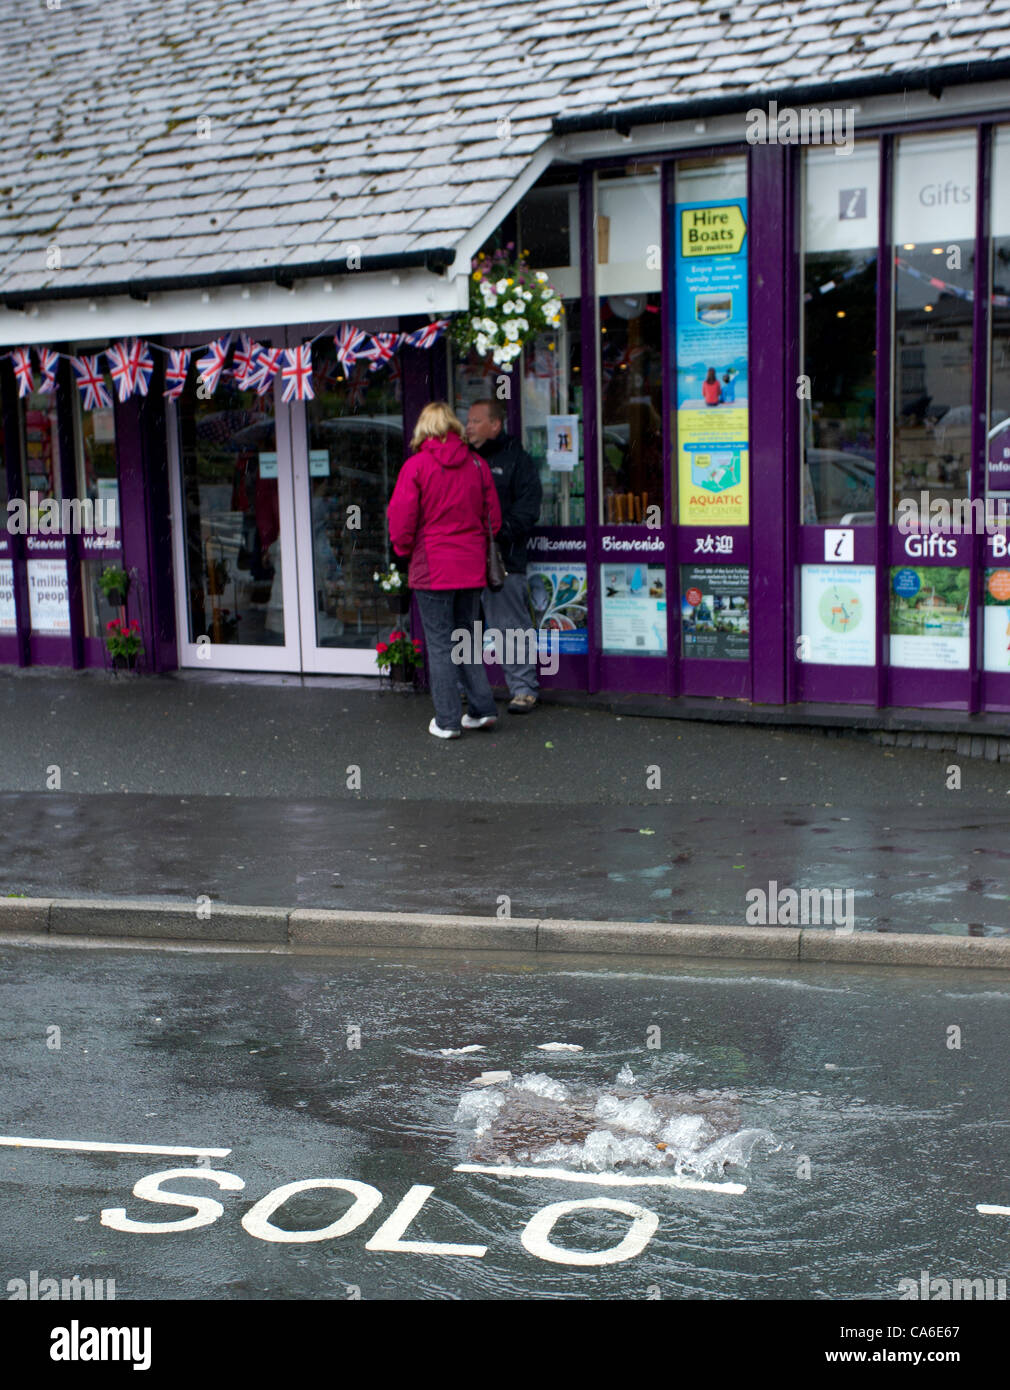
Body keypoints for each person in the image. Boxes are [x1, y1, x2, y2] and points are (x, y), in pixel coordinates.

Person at [387, 401, 502, 739]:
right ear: (453, 427)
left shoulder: (416, 466)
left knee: (439, 644)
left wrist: (404, 551)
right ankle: (482, 709)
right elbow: (492, 518)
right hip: (470, 568)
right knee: (464, 637)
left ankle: (448, 720)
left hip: (433, 567)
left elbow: (401, 521)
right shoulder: (478, 465)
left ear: (423, 429)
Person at [465, 398, 543, 713]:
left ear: (495, 425)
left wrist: (499, 533)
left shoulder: (516, 459)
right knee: (465, 625)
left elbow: (528, 507)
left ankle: (523, 690)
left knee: (510, 626)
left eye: (475, 421)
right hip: (465, 558)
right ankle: (461, 689)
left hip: (504, 558)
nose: (468, 426)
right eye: (467, 421)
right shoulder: (462, 458)